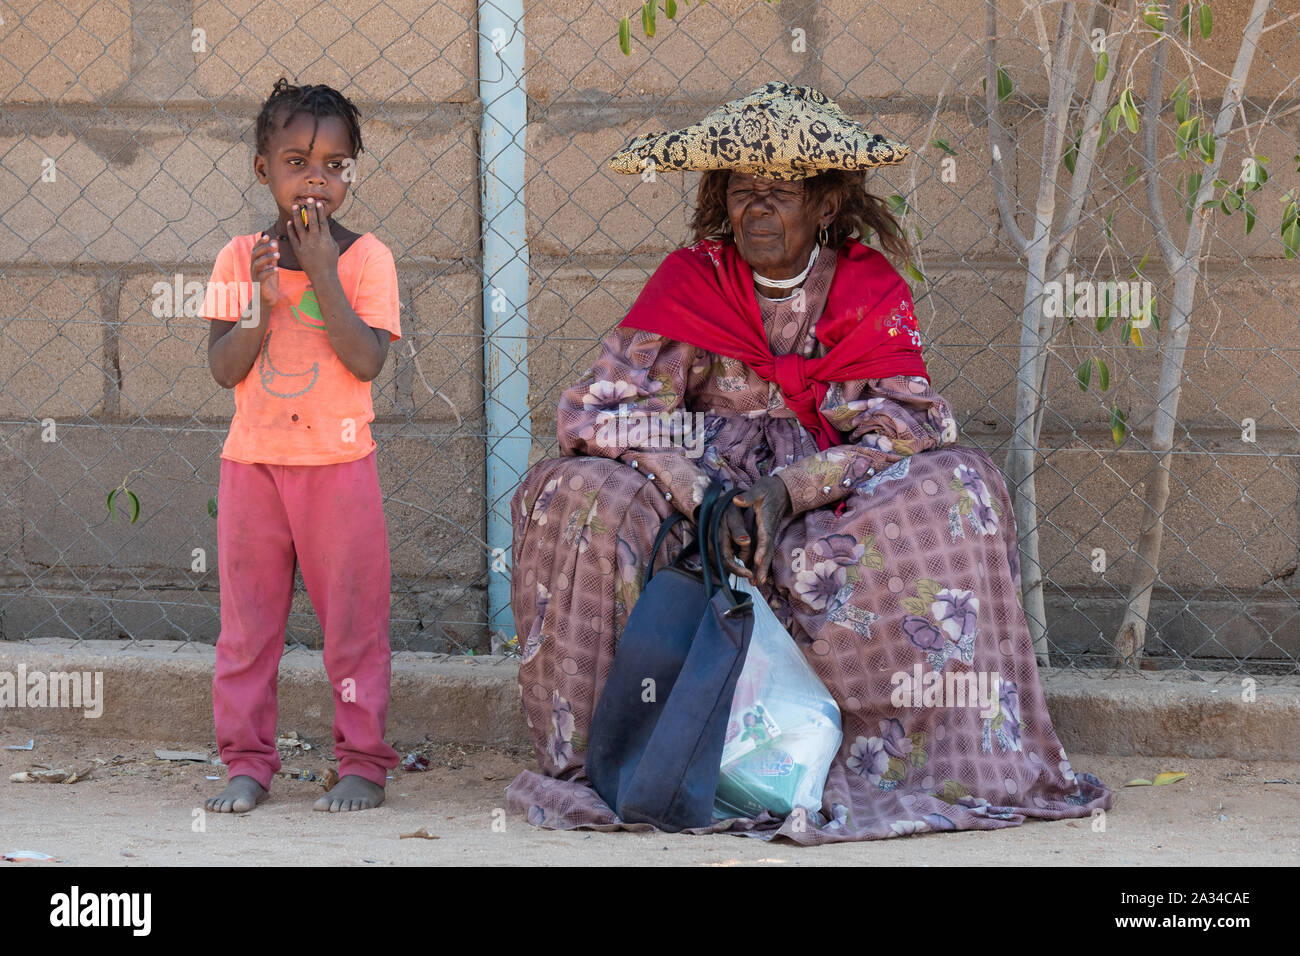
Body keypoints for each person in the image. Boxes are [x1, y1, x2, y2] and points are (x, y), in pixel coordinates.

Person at [505, 82, 1112, 842]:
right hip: (698, 483)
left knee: (965, 487)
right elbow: (603, 408)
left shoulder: (868, 288)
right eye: (740, 191)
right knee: (571, 490)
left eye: (779, 193)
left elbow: (907, 419)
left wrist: (788, 492)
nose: (756, 209)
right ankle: (613, 758)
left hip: (830, 488)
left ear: (825, 205)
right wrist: (696, 491)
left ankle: (913, 763)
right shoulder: (693, 280)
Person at [201, 78, 402, 813]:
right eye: (296, 161)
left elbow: (367, 359)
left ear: (350, 171)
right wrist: (257, 304)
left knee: (353, 627)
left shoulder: (368, 258)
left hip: (339, 469)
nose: (316, 177)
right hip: (253, 467)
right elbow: (225, 369)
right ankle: (247, 763)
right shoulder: (236, 257)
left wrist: (321, 271)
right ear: (265, 171)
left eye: (334, 163)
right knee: (248, 632)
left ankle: (363, 763)